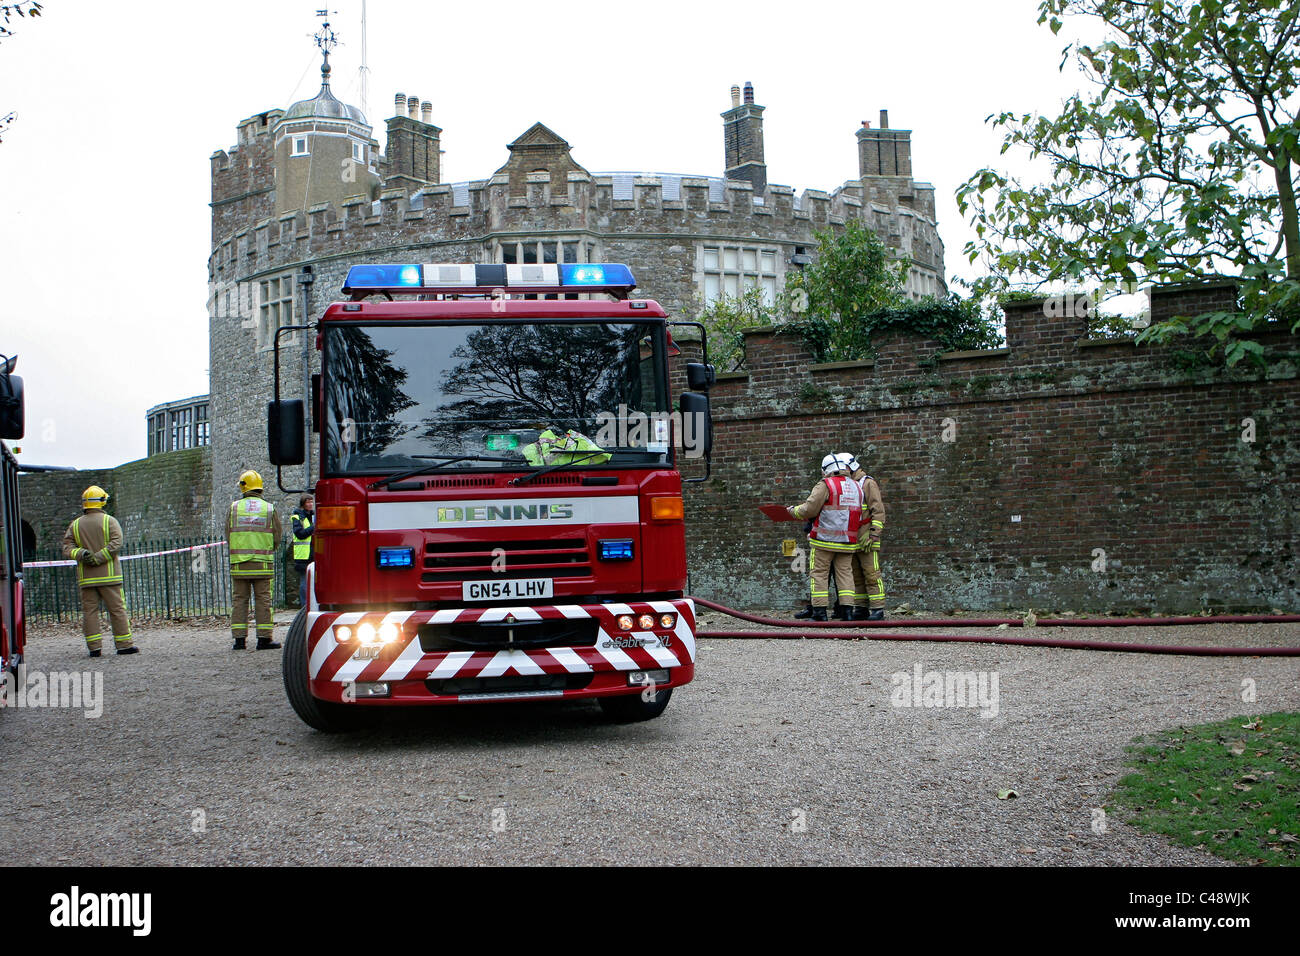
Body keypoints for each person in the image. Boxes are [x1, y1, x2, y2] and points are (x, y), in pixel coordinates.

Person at [61, 486, 137, 657]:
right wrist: (99, 557)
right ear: (102, 501)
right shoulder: (110, 521)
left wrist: (82, 554)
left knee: (90, 612)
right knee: (117, 610)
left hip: (87, 578)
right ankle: (124, 645)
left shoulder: (75, 524)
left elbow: (67, 548)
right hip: (110, 576)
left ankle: (94, 648)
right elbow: (116, 543)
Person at [787, 454, 863, 621]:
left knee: (819, 574)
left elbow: (809, 509)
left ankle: (820, 613)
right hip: (848, 541)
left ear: (825, 470)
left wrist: (793, 511)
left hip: (824, 541)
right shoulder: (857, 486)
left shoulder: (826, 484)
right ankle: (847, 613)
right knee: (845, 576)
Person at [226, 470, 282, 650]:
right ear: (260, 487)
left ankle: (239, 641)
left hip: (239, 563)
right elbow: (277, 536)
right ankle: (264, 639)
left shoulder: (234, 508)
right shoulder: (269, 508)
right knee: (263, 600)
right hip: (262, 562)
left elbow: (228, 532)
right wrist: (267, 550)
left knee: (239, 600)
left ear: (243, 487)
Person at [844, 452, 887, 621]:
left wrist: (874, 534)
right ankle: (860, 608)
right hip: (853, 539)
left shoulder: (868, 483)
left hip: (867, 538)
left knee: (871, 573)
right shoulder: (848, 485)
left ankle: (878, 609)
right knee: (856, 576)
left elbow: (878, 511)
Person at [290, 494, 314, 609]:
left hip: (313, 553)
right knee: (304, 582)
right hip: (303, 555)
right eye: (308, 502)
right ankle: (304, 607)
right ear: (303, 504)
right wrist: (313, 527)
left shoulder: (313, 516)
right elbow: (299, 534)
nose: (310, 504)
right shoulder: (297, 516)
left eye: (311, 502)